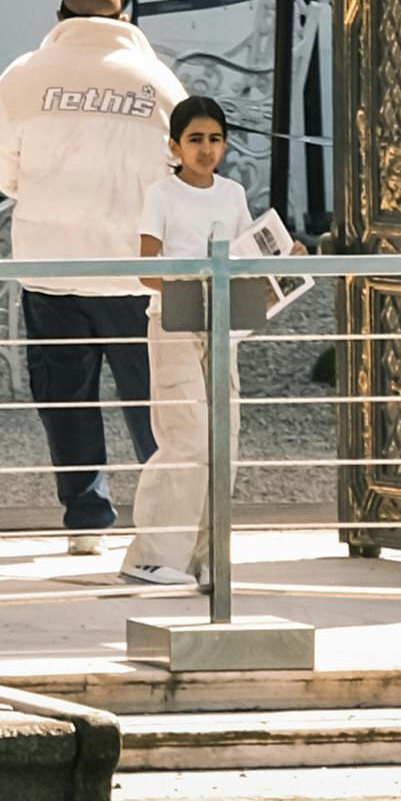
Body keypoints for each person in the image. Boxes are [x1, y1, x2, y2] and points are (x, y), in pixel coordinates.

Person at [0, 0, 181, 551]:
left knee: (66, 398)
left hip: (52, 266)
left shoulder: (23, 77)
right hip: (135, 272)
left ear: (60, 17)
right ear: (123, 18)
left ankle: (87, 519)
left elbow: (4, 173)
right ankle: (167, 522)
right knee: (152, 402)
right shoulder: (158, 81)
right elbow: (180, 170)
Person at [122, 93, 309, 585]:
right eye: (195, 140)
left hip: (223, 324)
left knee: (223, 437)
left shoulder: (231, 194)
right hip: (175, 321)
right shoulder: (160, 194)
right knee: (186, 436)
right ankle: (152, 556)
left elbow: (250, 252)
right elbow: (147, 268)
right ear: (175, 145)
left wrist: (286, 260)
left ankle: (206, 558)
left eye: (214, 140)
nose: (206, 149)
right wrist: (195, 283)